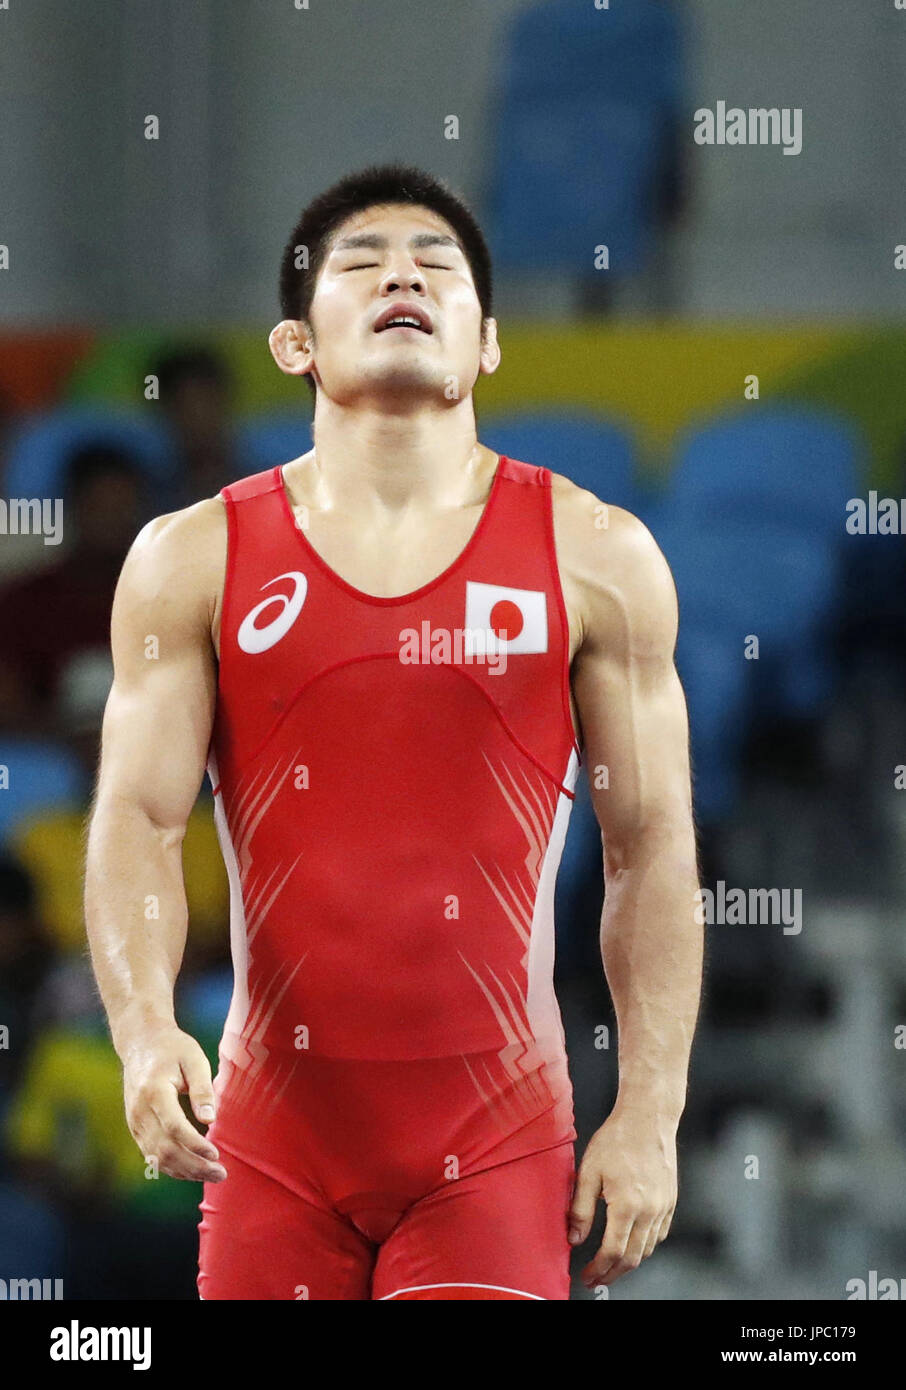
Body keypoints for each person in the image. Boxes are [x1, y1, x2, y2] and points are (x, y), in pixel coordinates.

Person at [85, 164, 702, 1301]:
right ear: (295, 345)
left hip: (499, 1143)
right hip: (272, 1142)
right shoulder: (192, 558)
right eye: (362, 263)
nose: (403, 274)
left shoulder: (598, 557)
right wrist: (141, 1028)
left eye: (439, 266)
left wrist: (651, 1109)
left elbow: (651, 847)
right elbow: (139, 816)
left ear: (489, 344)